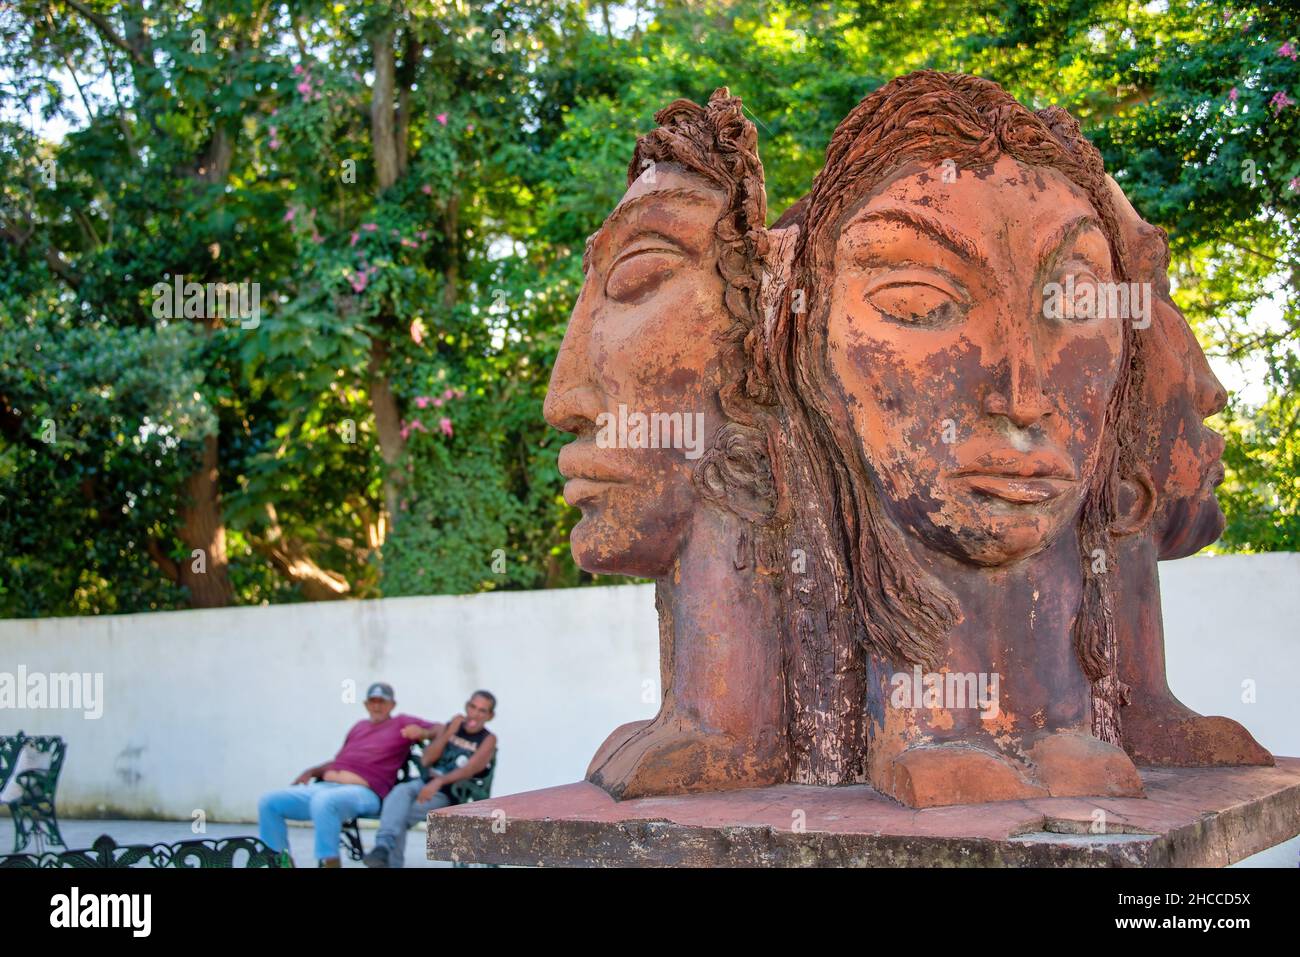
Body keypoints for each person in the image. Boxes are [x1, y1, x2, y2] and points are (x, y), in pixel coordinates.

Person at [257, 682, 437, 867]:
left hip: (365, 793)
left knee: (325, 802)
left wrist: (423, 732)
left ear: (392, 704)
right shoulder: (359, 726)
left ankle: (330, 863)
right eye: (372, 701)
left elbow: (441, 728)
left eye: (382, 701)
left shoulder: (401, 722)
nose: (377, 706)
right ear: (366, 704)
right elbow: (339, 761)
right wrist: (311, 771)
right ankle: (279, 862)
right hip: (327, 787)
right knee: (269, 802)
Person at [364, 690, 498, 868]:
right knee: (400, 791)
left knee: (399, 815)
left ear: (490, 716)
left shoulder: (488, 739)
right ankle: (382, 847)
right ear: (467, 706)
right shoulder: (451, 726)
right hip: (423, 783)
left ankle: (384, 851)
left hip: (450, 793)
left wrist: (439, 781)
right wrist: (448, 732)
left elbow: (470, 768)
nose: (475, 714)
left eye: (482, 710)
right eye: (473, 707)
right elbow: (427, 759)